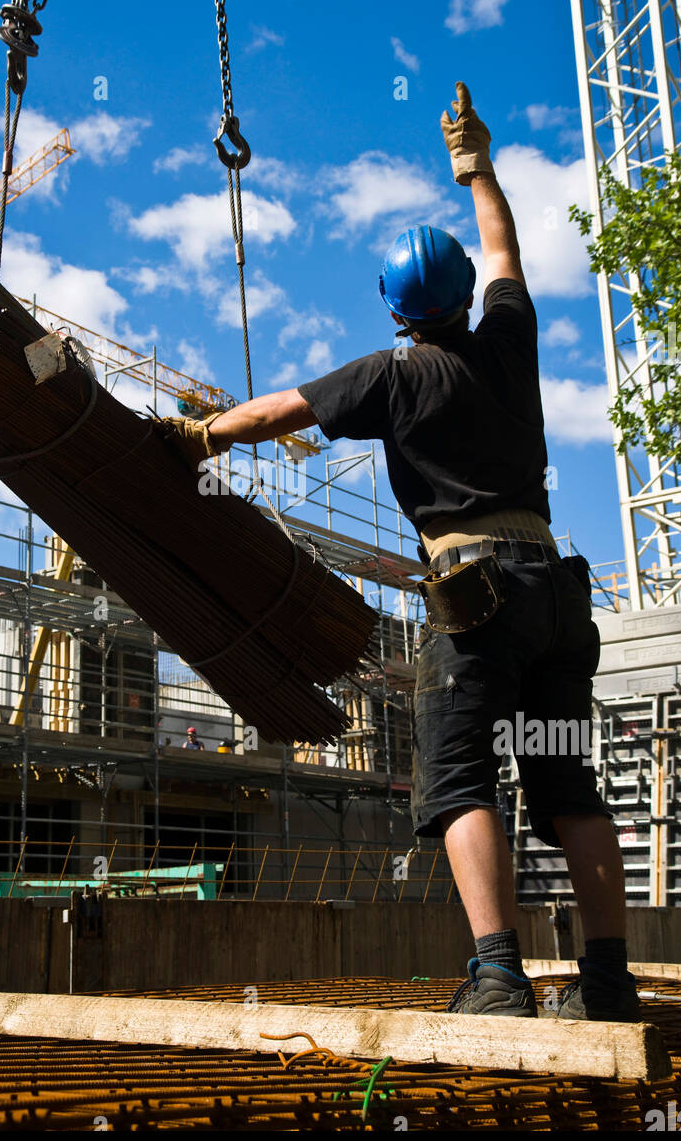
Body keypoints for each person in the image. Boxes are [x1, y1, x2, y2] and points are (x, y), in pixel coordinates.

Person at [159, 82, 638, 1023]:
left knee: (461, 778)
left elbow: (277, 413)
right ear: (464, 294)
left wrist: (201, 438)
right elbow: (502, 245)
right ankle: (609, 979)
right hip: (555, 584)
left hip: (476, 592)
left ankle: (497, 975)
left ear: (392, 305)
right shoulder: (509, 339)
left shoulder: (390, 374)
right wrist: (475, 165)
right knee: (568, 782)